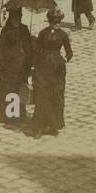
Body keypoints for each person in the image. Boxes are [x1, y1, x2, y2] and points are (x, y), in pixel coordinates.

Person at [31, 8, 73, 137]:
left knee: (55, 95)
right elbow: (37, 50)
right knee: (42, 96)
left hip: (57, 70)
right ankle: (39, 126)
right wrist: (33, 68)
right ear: (49, 21)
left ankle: (53, 125)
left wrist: (64, 59)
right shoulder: (43, 34)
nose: (56, 24)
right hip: (43, 68)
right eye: (54, 21)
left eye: (58, 21)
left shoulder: (63, 35)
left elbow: (69, 52)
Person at [0, 7, 33, 124]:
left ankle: (18, 114)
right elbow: (0, 48)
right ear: (11, 18)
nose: (18, 19)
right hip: (8, 65)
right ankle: (7, 114)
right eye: (16, 17)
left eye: (20, 16)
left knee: (19, 90)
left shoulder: (24, 29)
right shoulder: (6, 30)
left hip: (21, 65)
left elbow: (28, 47)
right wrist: (3, 62)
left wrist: (29, 57)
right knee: (8, 90)